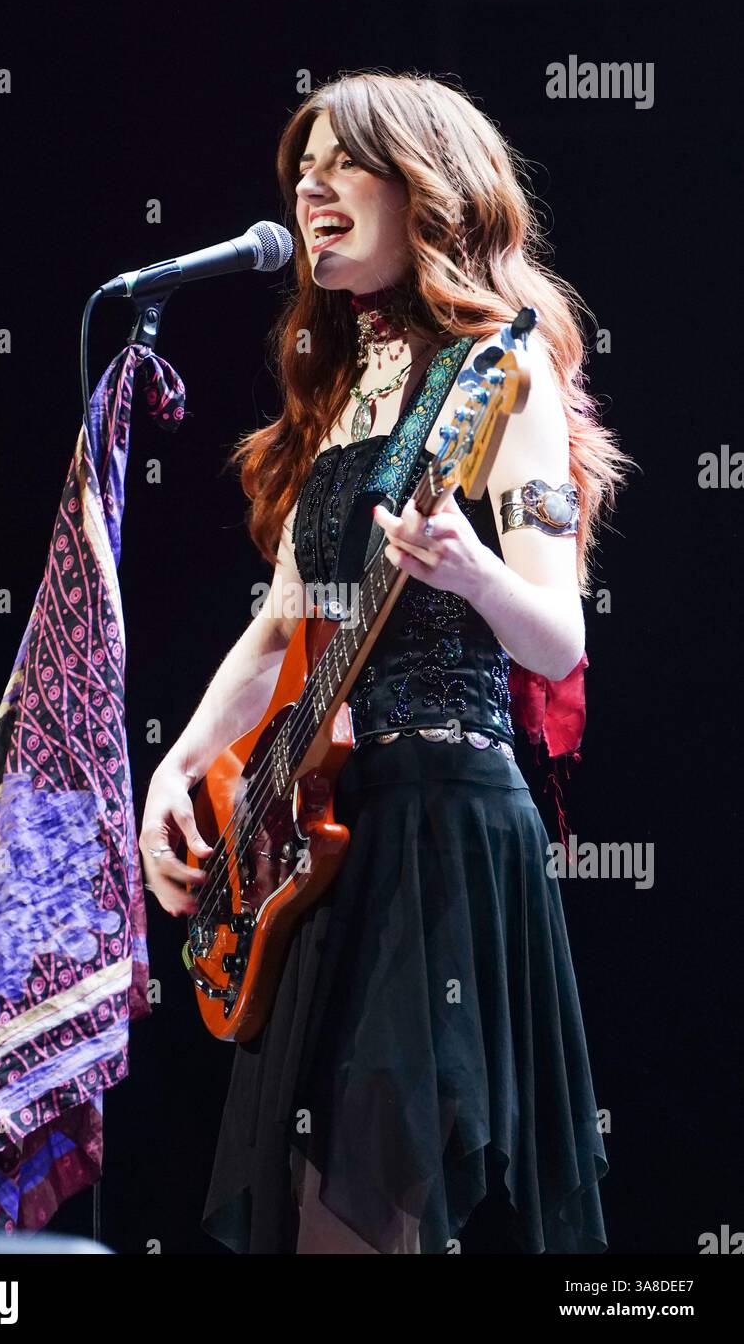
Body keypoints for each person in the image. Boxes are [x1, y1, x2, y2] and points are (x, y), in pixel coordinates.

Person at [139, 71, 633, 1254]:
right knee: (319, 1205)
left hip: (441, 827)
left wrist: (469, 570)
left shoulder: (500, 372)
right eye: (300, 167)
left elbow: (557, 638)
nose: (309, 186)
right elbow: (281, 629)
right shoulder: (346, 385)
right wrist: (177, 769)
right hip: (324, 834)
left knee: (360, 1214)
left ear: (424, 190)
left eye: (341, 163)